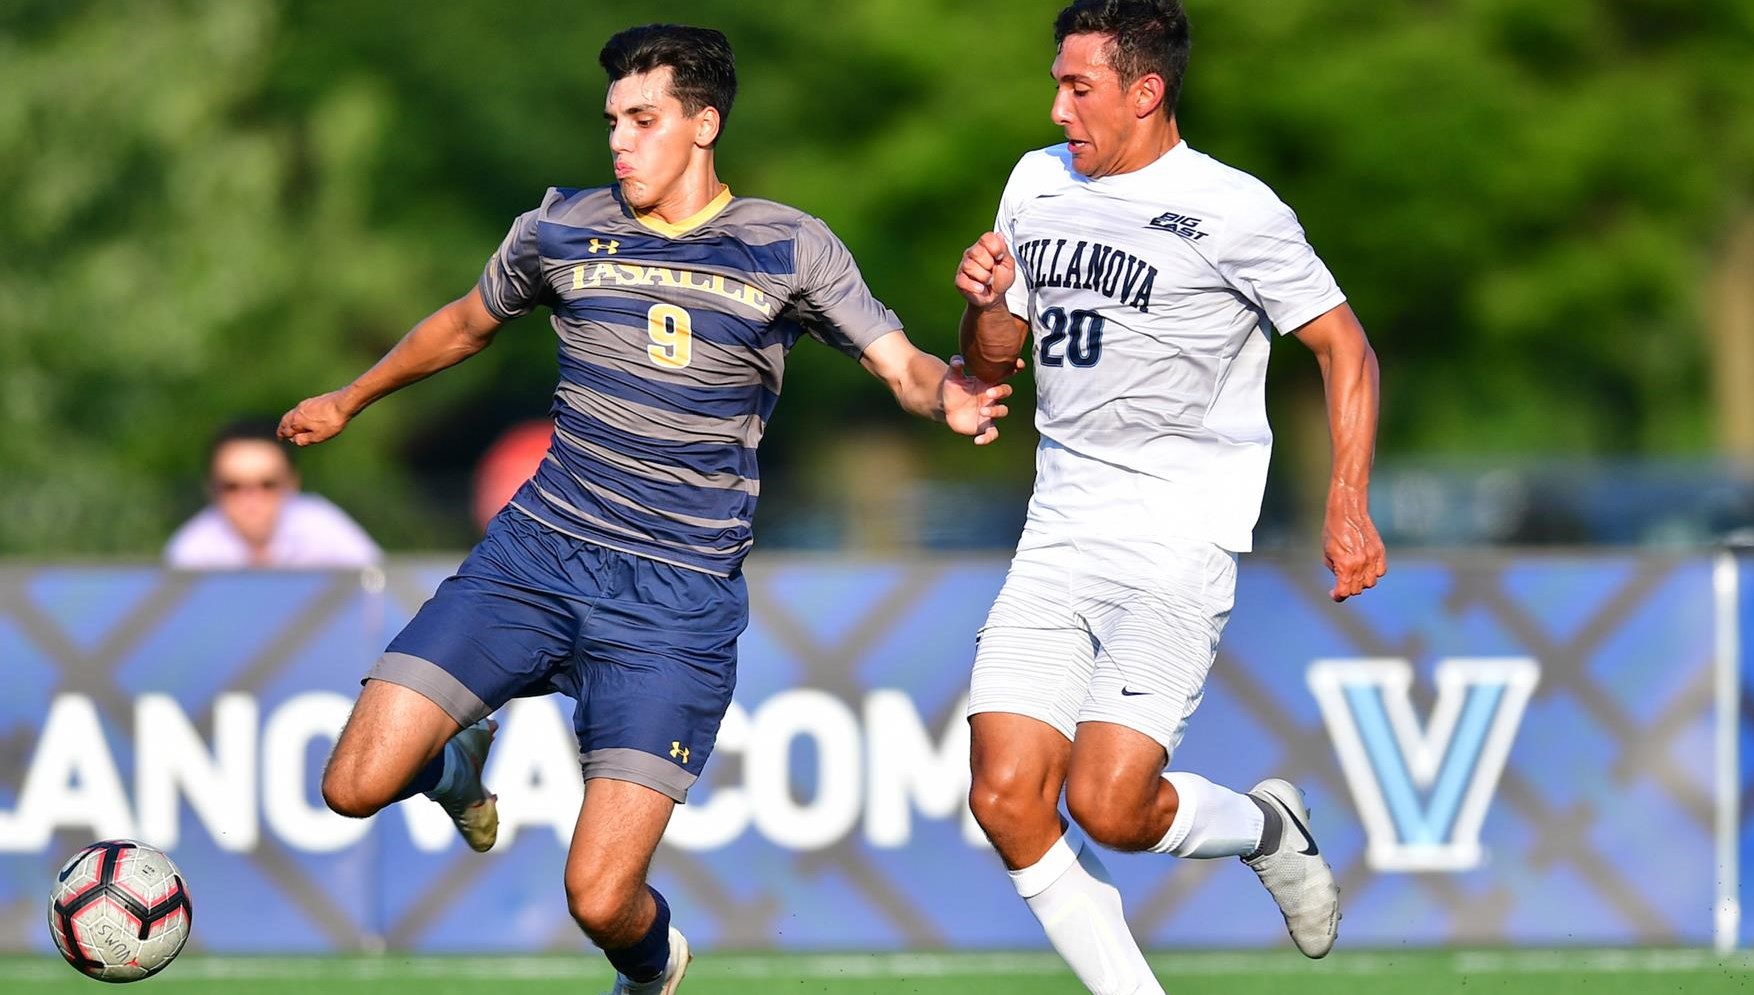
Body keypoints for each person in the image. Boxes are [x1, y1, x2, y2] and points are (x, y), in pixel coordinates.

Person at [277, 23, 1012, 995]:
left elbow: (898, 361)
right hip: (536, 557)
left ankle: (654, 962)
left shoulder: (787, 245)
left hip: (671, 604)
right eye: (612, 121)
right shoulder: (558, 228)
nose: (619, 140)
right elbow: (463, 324)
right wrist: (350, 396)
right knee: (352, 782)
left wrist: (947, 391)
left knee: (598, 898)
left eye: (643, 118)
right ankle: (454, 766)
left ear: (702, 124)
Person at [954, 2, 1386, 991]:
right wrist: (982, 303)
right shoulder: (1033, 182)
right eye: (1056, 83)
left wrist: (1345, 500)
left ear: (1144, 91)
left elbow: (1341, 345)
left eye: (1078, 87)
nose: (1057, 106)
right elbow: (992, 356)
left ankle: (1267, 826)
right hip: (1057, 532)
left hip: (1175, 540)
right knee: (1005, 795)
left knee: (1110, 804)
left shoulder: (1233, 207)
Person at [164, 419, 381, 570]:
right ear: (211, 489)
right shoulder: (191, 551)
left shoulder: (325, 529)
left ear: (292, 483)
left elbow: (381, 595)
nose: (251, 499)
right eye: (232, 486)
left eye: (267, 484)